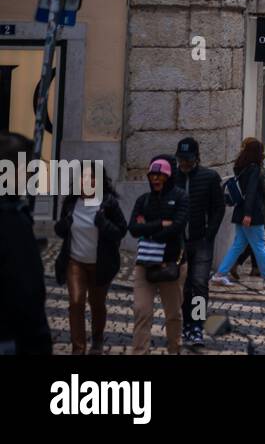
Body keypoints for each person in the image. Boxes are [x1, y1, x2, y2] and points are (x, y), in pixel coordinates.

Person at [54, 164, 127, 355]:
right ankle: (78, 348)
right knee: (76, 302)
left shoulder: (108, 203)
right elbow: (60, 231)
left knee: (97, 303)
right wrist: (64, 224)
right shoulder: (71, 203)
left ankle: (97, 339)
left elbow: (121, 231)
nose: (88, 181)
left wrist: (103, 224)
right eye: (84, 177)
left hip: (100, 263)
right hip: (75, 262)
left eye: (93, 177)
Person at [128, 157, 189, 354]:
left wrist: (148, 230)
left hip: (170, 264)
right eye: (152, 175)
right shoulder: (143, 200)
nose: (155, 179)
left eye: (160, 175)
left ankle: (174, 349)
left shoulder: (181, 197)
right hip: (145, 263)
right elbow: (134, 229)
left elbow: (177, 227)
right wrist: (159, 224)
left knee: (173, 314)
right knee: (141, 311)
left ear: (168, 176)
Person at [0, 134, 52, 354]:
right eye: (29, 169)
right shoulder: (9, 218)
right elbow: (25, 289)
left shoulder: (15, 211)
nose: (33, 176)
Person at [173, 137, 224, 348]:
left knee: (200, 285)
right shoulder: (172, 178)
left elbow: (218, 208)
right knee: (183, 287)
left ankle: (197, 326)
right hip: (179, 242)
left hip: (201, 241)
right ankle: (187, 324)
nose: (184, 163)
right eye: (181, 159)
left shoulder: (209, 177)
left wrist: (209, 233)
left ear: (196, 158)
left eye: (188, 159)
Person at [211, 140, 265, 288]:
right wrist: (248, 214)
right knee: (259, 245)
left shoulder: (240, 167)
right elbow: (251, 192)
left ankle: (220, 275)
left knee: (237, 245)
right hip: (252, 214)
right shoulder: (254, 169)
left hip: (240, 211)